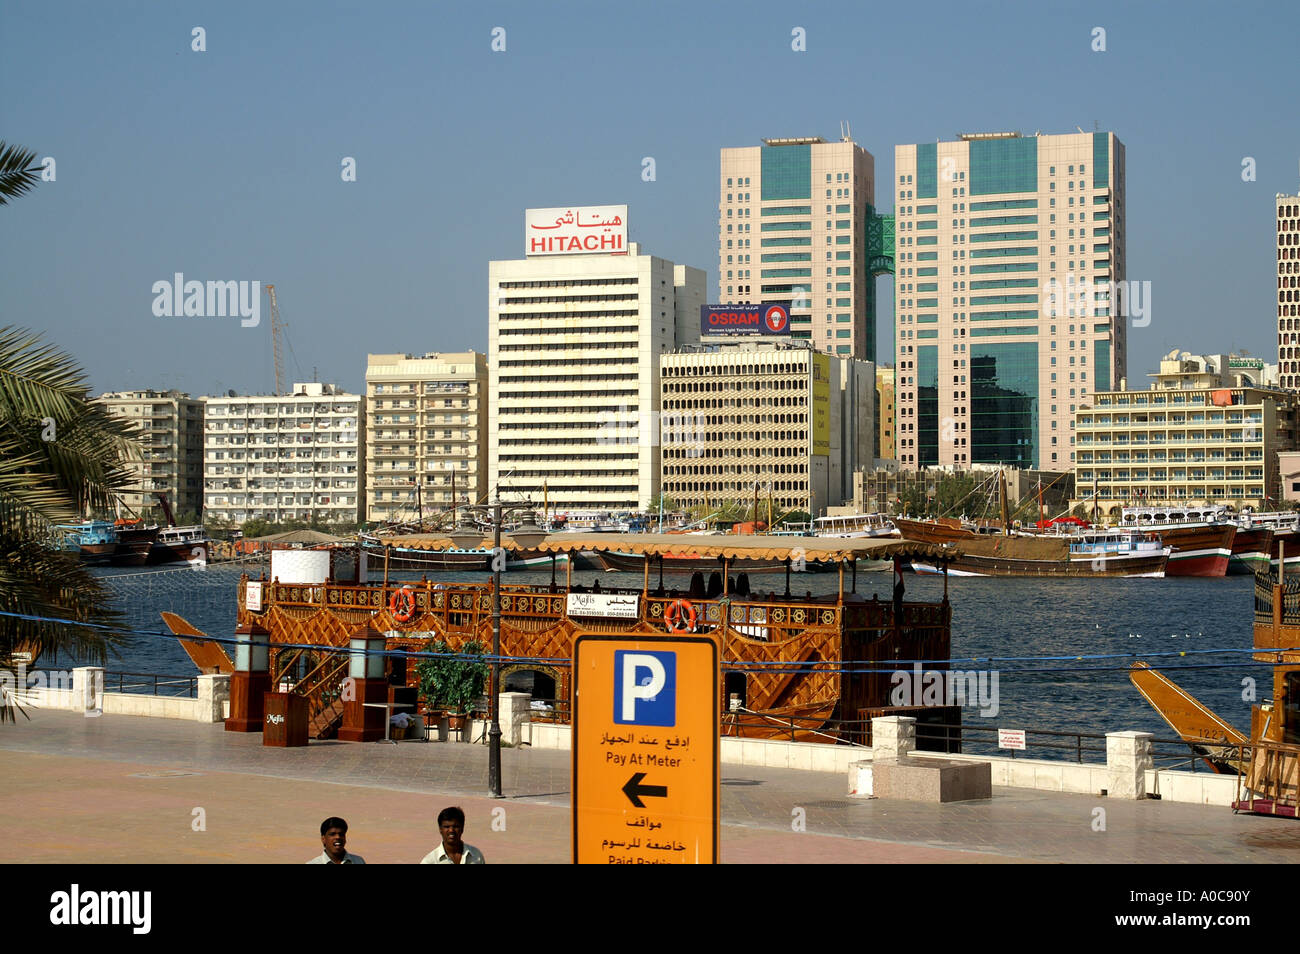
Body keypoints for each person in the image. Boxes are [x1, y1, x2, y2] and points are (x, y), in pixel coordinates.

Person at [420, 806, 485, 864]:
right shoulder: (430, 861)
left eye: (456, 826)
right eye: (447, 827)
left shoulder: (476, 856)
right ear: (440, 829)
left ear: (462, 828)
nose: (451, 830)